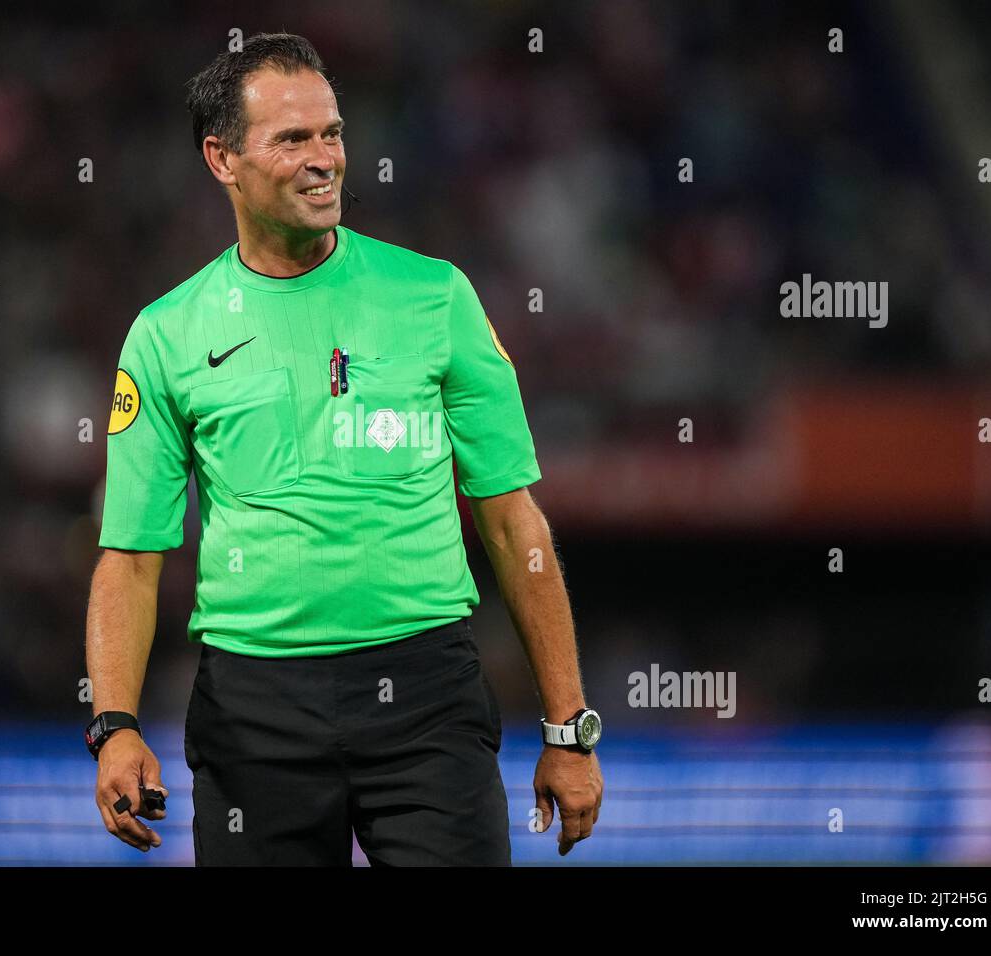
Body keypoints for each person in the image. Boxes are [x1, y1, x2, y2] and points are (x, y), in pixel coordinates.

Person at [84, 32, 603, 865]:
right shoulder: (165, 335)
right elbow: (132, 558)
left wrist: (569, 728)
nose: (324, 158)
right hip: (254, 714)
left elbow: (516, 528)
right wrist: (115, 725)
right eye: (292, 139)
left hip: (428, 701)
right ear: (222, 158)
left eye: (332, 133)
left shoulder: (437, 297)